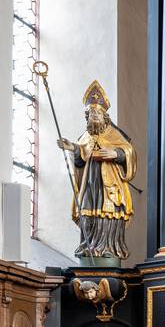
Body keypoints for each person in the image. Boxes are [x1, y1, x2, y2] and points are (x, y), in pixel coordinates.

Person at [58, 82, 136, 262]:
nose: (94, 116)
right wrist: (73, 148)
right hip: (89, 184)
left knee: (109, 216)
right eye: (91, 114)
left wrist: (115, 154)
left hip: (110, 186)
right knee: (87, 213)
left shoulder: (115, 134)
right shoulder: (84, 137)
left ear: (105, 116)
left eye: (97, 113)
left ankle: (109, 248)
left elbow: (130, 152)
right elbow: (79, 160)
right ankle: (88, 246)